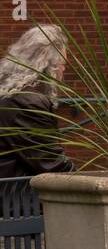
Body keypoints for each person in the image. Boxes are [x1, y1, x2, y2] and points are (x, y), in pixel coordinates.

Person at [0, 25, 73, 179]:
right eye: (62, 64)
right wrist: (87, 181)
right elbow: (50, 164)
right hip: (17, 198)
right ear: (48, 65)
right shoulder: (28, 103)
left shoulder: (8, 91)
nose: (63, 70)